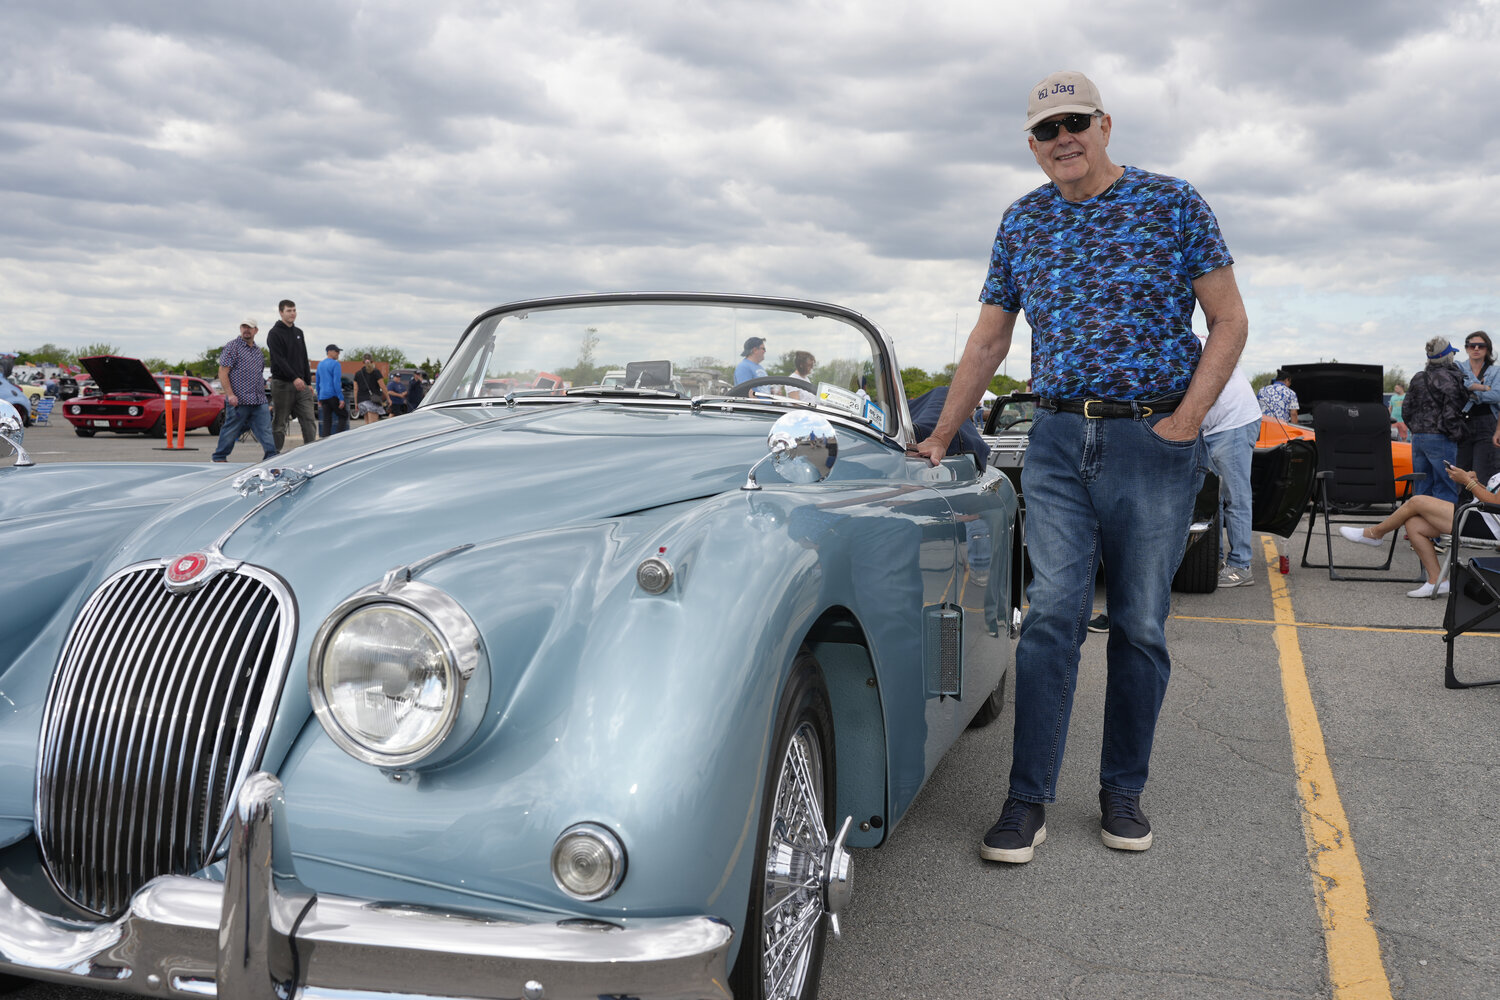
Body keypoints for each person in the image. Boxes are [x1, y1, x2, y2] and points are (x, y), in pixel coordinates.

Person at [909, 70, 1247, 863]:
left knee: (1138, 623)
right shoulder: (1021, 222)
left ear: (1103, 124)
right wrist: (938, 435)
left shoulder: (1174, 203)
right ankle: (1027, 800)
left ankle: (1122, 789)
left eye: (1075, 122)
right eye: (1046, 129)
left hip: (1152, 443)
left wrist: (1185, 422)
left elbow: (1228, 320)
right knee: (1054, 616)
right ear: (1031, 145)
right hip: (1059, 440)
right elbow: (990, 340)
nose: (1063, 138)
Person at [1340, 462, 1500, 598]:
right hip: (1479, 516)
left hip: (1488, 525)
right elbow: (1493, 496)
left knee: (1417, 501)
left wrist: (1467, 482)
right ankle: (1437, 580)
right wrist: (1476, 483)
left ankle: (1375, 534)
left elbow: (1496, 504)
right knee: (1414, 524)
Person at [1201, 366, 1261, 588]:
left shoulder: (1185, 347)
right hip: (1213, 426)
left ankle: (1240, 567)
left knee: (1235, 496)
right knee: (1210, 498)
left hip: (1234, 421)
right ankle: (1215, 562)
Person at [1404, 337, 1467, 504]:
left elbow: (1406, 410)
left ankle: (1418, 527)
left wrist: (1417, 429)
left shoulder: (1418, 377)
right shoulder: (1450, 378)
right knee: (1445, 485)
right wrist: (1456, 434)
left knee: (1421, 486)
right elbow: (1451, 413)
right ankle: (1442, 527)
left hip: (1418, 437)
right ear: (1448, 356)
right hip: (1441, 437)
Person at [211, 319, 277, 463]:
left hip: (258, 400)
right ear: (240, 328)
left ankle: (271, 458)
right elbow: (223, 372)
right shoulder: (232, 347)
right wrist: (230, 395)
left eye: (250, 327)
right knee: (231, 429)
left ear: (256, 331)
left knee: (265, 429)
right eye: (244, 327)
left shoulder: (258, 351)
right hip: (238, 400)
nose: (246, 330)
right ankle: (219, 457)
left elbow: (258, 374)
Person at [267, 299, 318, 450]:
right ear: (281, 312)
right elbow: (279, 359)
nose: (292, 313)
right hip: (282, 384)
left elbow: (303, 357)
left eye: (294, 310)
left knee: (309, 419)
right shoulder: (274, 333)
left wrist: (308, 382)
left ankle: (311, 452)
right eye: (289, 311)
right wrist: (293, 377)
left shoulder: (298, 333)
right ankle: (273, 455)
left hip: (301, 385)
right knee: (280, 422)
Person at [1456, 331, 1500, 486]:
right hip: (1462, 423)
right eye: (1471, 345)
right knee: (1461, 471)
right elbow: (1458, 388)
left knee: (1484, 471)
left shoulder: (1496, 371)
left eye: (1481, 346)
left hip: (1487, 424)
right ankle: (1461, 509)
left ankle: (1483, 508)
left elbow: (1497, 396)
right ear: (1466, 348)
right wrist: (1485, 388)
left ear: (1487, 349)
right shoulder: (1458, 367)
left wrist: (1473, 394)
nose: (1476, 348)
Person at [316, 344, 349, 437]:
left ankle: (325, 438)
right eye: (336, 351)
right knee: (343, 415)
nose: (338, 354)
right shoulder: (335, 364)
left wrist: (319, 398)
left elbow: (318, 382)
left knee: (327, 419)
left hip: (323, 396)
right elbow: (336, 382)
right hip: (333, 394)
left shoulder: (320, 364)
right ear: (329, 351)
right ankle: (338, 437)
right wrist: (341, 398)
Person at [354, 354, 387, 424]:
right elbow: (382, 386)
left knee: (367, 424)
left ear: (363, 362)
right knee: (373, 425)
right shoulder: (376, 372)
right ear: (372, 361)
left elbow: (355, 389)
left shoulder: (358, 373)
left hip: (361, 401)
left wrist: (356, 403)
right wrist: (388, 398)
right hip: (372, 401)